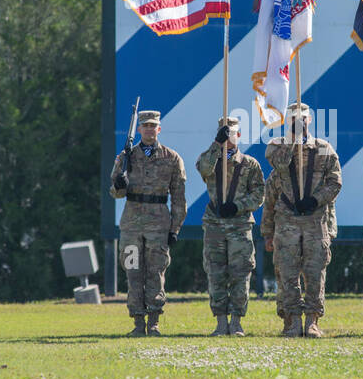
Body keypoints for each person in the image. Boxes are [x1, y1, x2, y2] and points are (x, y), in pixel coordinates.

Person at [261, 103, 341, 337]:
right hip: (287, 222)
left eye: (303, 118)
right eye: (295, 118)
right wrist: (295, 140)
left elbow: (335, 182)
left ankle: (312, 321)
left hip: (315, 221)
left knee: (316, 272)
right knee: (287, 272)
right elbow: (279, 165)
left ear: (310, 120)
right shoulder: (276, 146)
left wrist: (316, 200)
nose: (300, 121)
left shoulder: (324, 148)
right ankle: (293, 320)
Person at [109, 110, 186, 335]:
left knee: (155, 273)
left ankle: (153, 322)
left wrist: (175, 228)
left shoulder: (172, 158)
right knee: (133, 273)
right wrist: (120, 184)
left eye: (154, 126)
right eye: (146, 126)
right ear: (139, 129)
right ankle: (137, 323)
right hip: (132, 225)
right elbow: (114, 193)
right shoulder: (126, 158)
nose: (150, 129)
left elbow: (179, 198)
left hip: (158, 225)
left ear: (159, 129)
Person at [195, 116, 264, 336]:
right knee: (215, 273)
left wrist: (238, 207)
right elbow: (203, 169)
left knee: (240, 273)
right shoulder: (212, 159)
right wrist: (217, 144)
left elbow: (259, 194)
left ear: (240, 135)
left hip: (239, 225)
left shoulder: (250, 164)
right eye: (226, 133)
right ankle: (220, 321)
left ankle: (236, 321)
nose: (229, 137)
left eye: (233, 133)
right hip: (215, 225)